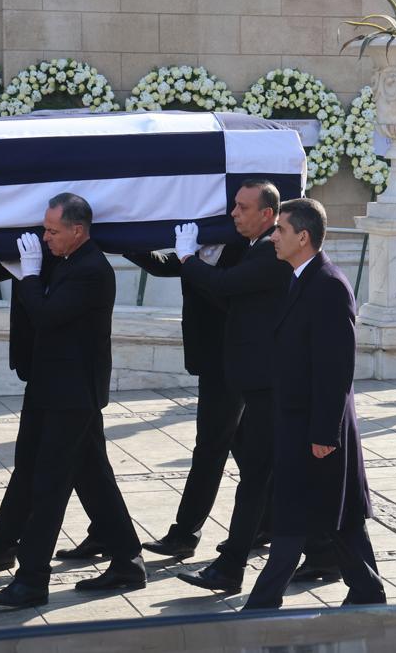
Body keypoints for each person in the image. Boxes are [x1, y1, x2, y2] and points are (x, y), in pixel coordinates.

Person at [0, 193, 145, 608]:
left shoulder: (91, 269)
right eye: (44, 229)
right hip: (49, 387)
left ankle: (32, 579)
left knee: (49, 484)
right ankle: (127, 560)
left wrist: (32, 274)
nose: (45, 237)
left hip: (72, 395)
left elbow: (48, 314)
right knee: (93, 477)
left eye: (52, 231)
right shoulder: (64, 257)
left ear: (78, 230)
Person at [242, 198, 386, 609]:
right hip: (297, 422)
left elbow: (336, 369)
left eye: (280, 230)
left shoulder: (328, 286)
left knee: (300, 517)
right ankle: (367, 591)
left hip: (317, 430)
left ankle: (262, 604)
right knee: (338, 517)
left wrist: (324, 432)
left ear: (303, 237)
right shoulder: (299, 277)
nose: (273, 237)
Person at [175, 180, 292, 594]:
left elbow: (226, 287)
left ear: (267, 214)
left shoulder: (268, 254)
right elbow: (231, 298)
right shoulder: (261, 251)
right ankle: (243, 558)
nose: (232, 213)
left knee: (261, 475)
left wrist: (189, 257)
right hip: (253, 381)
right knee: (260, 473)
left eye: (242, 207)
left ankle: (239, 563)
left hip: (264, 384)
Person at [125, 239, 248, 560]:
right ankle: (269, 522)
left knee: (210, 447)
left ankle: (185, 532)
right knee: (246, 450)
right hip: (213, 359)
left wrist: (192, 261)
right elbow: (163, 265)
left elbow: (227, 295)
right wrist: (127, 242)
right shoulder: (204, 245)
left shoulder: (248, 247)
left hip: (232, 362)